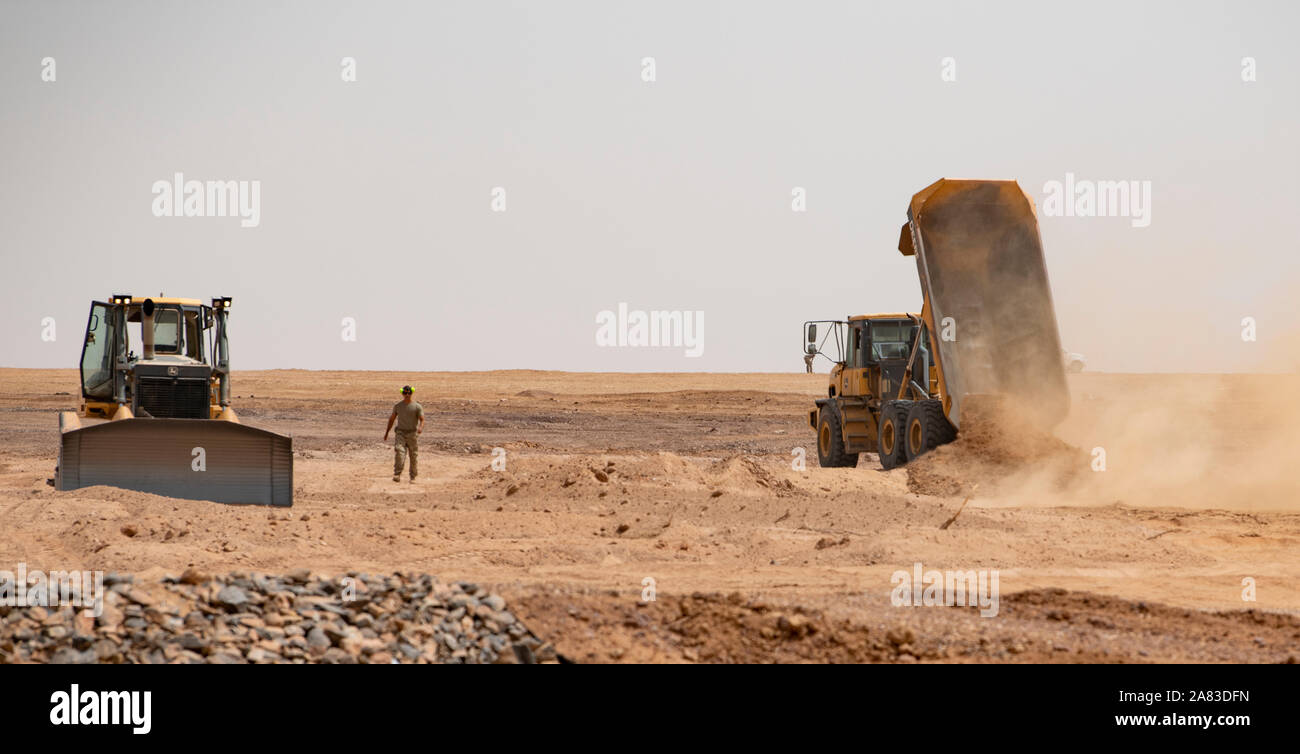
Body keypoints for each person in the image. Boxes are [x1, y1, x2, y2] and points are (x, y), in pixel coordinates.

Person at [383, 385, 424, 482]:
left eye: (409, 393)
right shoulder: (398, 406)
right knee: (399, 453)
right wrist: (387, 432)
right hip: (400, 433)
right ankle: (397, 474)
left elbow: (422, 419)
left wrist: (420, 428)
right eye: (405, 393)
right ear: (402, 393)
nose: (407, 395)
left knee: (413, 455)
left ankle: (413, 476)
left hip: (412, 434)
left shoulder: (417, 407)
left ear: (412, 393)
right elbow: (392, 419)